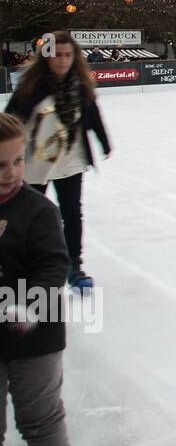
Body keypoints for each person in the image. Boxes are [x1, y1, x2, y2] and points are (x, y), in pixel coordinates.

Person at [0, 113, 76, 446]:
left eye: (17, 161)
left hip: (36, 336)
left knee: (41, 419)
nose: (11, 172)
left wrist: (29, 305)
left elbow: (53, 267)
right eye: (0, 164)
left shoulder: (40, 211)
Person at [4, 32, 111, 291]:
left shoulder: (80, 86)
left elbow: (93, 116)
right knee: (27, 214)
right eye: (56, 55)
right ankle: (20, 265)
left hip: (70, 159)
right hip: (34, 162)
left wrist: (104, 142)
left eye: (67, 55)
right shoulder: (32, 87)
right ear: (46, 57)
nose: (62, 61)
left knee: (72, 213)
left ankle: (74, 264)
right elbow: (10, 120)